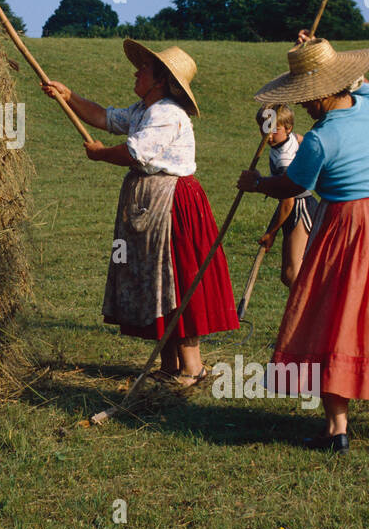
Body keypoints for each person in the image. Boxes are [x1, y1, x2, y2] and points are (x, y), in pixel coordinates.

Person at [237, 31, 369, 452]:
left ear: (319, 96)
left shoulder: (320, 138)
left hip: (351, 225)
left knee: (331, 314)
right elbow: (361, 81)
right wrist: (322, 52)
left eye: (305, 97)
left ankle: (336, 429)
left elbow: (294, 187)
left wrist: (258, 183)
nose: (302, 105)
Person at [43, 41, 238, 386]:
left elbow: (136, 153)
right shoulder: (143, 110)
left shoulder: (167, 114)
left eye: (144, 69)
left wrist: (101, 155)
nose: (136, 72)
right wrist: (67, 95)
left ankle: (192, 367)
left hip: (174, 205)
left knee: (178, 277)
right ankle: (168, 365)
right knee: (154, 279)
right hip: (150, 205)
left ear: (160, 80)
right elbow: (104, 117)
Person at [255, 104, 317, 288]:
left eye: (275, 130)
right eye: (265, 129)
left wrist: (271, 233)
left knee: (293, 274)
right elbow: (300, 139)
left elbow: (288, 201)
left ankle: (310, 312)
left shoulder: (284, 159)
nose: (269, 136)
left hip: (300, 207)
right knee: (289, 275)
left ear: (288, 128)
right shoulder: (291, 138)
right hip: (295, 205)